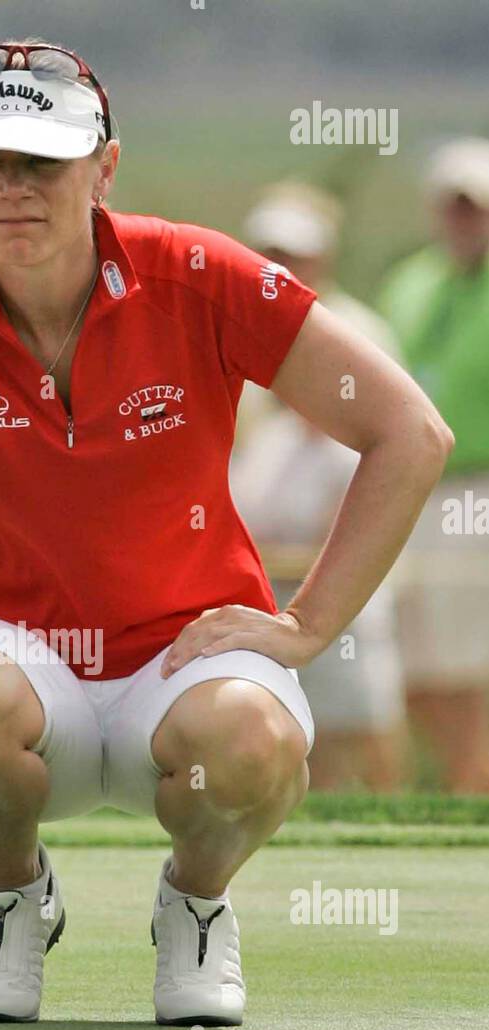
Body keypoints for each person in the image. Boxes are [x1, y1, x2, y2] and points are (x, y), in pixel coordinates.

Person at [0, 38, 452, 1027]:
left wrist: (304, 627)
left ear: (104, 167)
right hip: (16, 669)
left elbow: (409, 433)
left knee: (250, 737)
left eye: (43, 161)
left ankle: (193, 906)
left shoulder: (194, 273)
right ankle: (13, 897)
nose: (13, 188)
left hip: (183, 666)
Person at [232, 183, 407, 790]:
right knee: (296, 734)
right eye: (270, 250)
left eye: (296, 253)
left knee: (362, 724)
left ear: (325, 257)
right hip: (272, 567)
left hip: (344, 555)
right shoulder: (239, 327)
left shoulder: (360, 331)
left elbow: (392, 448)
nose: (282, 266)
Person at [378, 138, 489, 792]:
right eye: (452, 208)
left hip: (476, 491)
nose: (462, 220)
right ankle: (455, 785)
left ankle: (471, 790)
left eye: (473, 208)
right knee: (414, 662)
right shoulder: (409, 282)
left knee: (469, 659)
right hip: (410, 490)